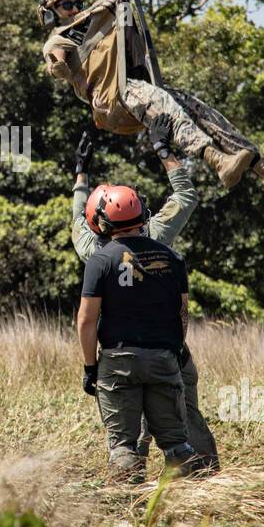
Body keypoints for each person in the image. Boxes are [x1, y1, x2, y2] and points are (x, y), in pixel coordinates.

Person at [39, 0, 264, 200]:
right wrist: (59, 69)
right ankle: (218, 161)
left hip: (135, 88)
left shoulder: (101, 14)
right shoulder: (58, 41)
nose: (74, 8)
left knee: (200, 111)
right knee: (165, 105)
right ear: (51, 14)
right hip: (112, 102)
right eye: (65, 5)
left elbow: (119, 21)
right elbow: (57, 64)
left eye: (75, 2)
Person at [70, 126, 219, 470]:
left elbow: (77, 218)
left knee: (127, 436)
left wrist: (81, 173)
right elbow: (185, 197)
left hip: (119, 355)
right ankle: (205, 484)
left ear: (100, 222)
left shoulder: (95, 251)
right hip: (168, 351)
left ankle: (133, 502)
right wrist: (162, 150)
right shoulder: (160, 239)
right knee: (184, 424)